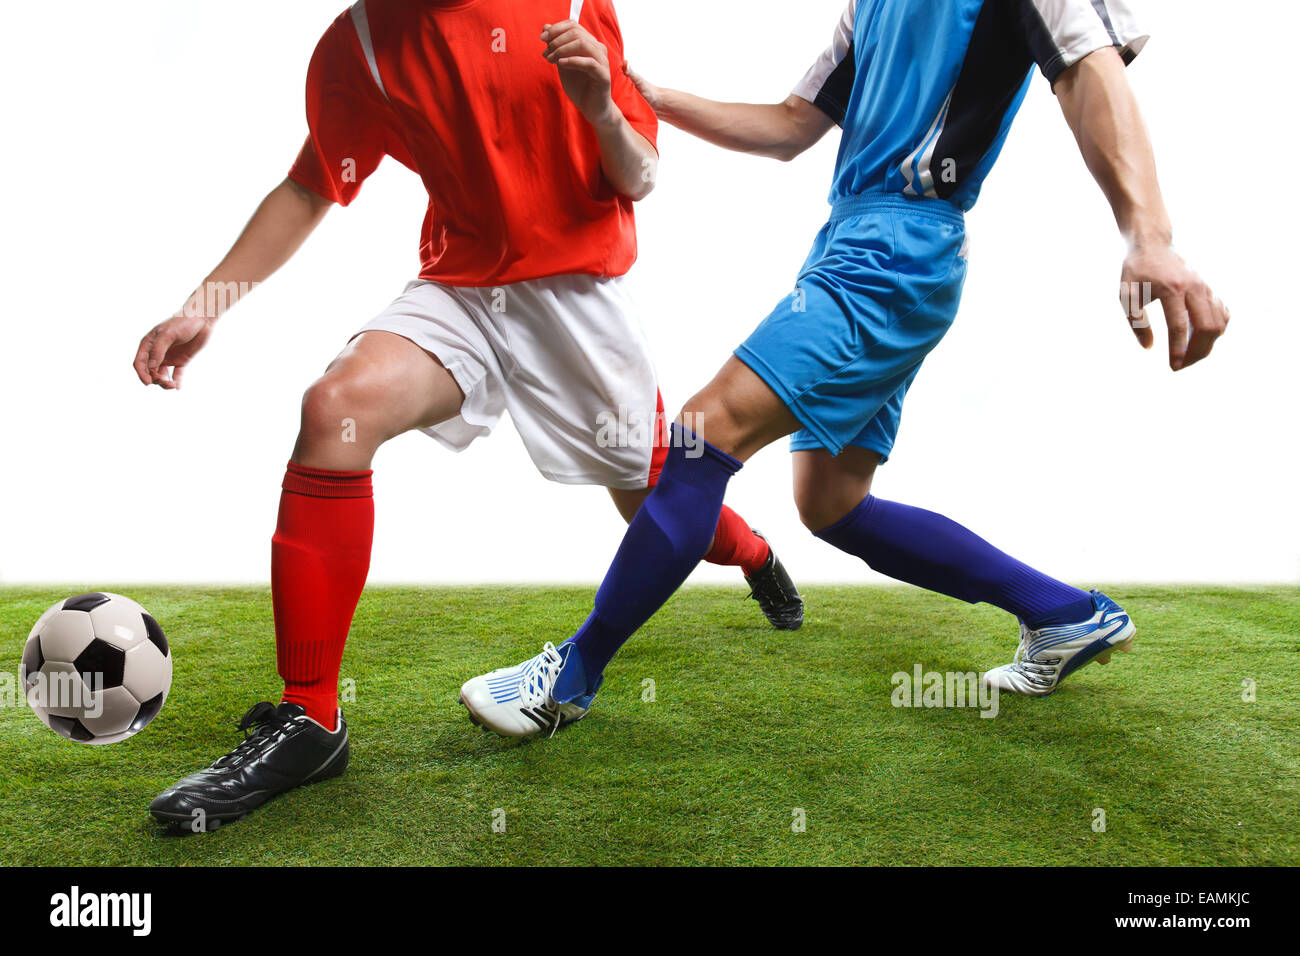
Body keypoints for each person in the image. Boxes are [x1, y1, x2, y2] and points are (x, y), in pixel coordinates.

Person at [460, 0, 1230, 739]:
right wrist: (639, 89)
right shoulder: (868, 4)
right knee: (832, 503)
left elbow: (1089, 70)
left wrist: (1148, 234)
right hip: (854, 243)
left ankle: (569, 678)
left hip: (899, 250)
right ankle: (1064, 613)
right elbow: (792, 125)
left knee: (702, 434)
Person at [139, 0, 801, 832]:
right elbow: (312, 183)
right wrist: (208, 305)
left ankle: (753, 551)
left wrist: (598, 106)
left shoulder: (564, 6)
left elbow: (639, 176)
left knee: (654, 499)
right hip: (460, 288)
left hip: (577, 294)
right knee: (335, 408)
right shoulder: (363, 40)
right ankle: (312, 716)